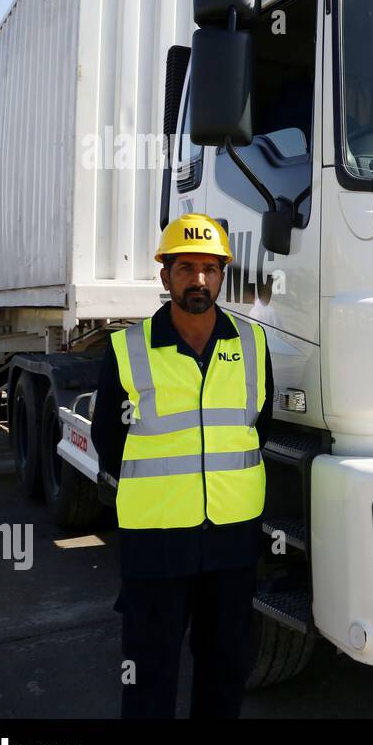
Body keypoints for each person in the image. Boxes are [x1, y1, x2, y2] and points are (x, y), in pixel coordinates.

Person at [91, 213, 273, 718]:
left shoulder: (253, 346)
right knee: (149, 673)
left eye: (210, 269)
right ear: (164, 274)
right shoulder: (128, 350)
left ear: (222, 275)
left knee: (225, 668)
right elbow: (109, 439)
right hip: (156, 543)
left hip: (232, 543)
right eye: (186, 267)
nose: (198, 280)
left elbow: (260, 429)